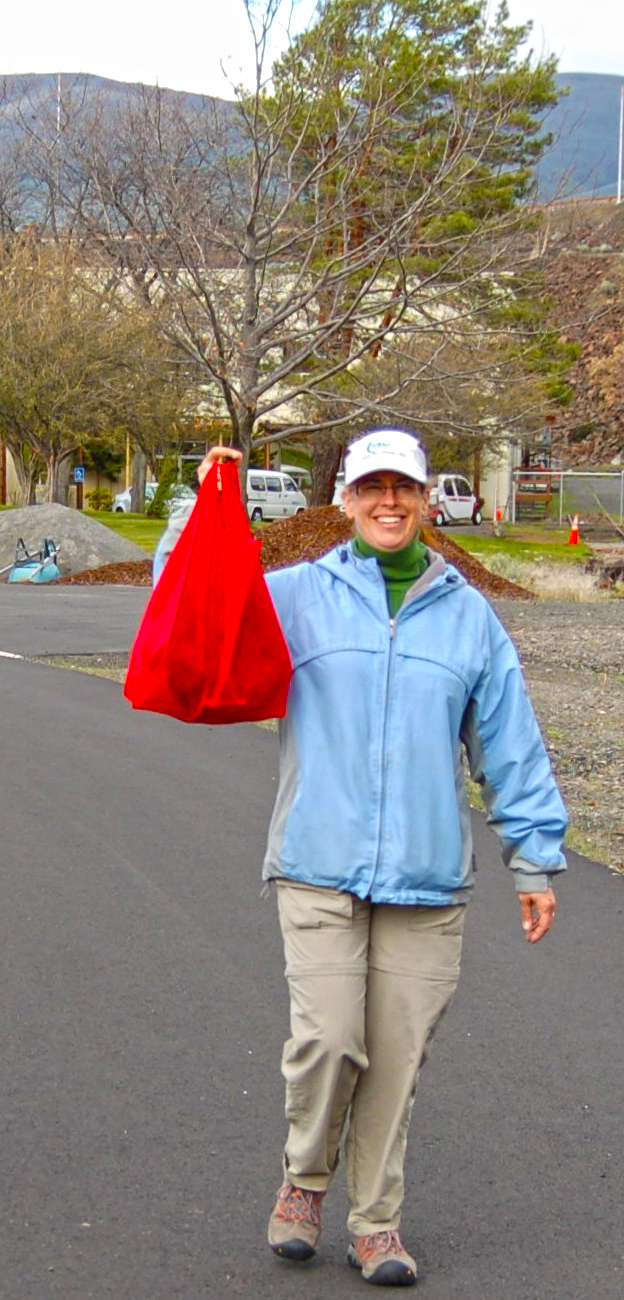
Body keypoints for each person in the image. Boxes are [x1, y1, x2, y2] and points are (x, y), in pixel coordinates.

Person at [153, 430, 568, 1287]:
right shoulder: (300, 596)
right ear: (344, 499)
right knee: (330, 1040)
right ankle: (304, 1180)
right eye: (372, 487)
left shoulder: (468, 615)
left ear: (427, 502)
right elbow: (194, 607)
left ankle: (376, 1222)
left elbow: (509, 744)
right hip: (318, 864)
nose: (389, 502)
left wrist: (534, 859)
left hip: (428, 880)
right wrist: (199, 510)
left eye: (404, 488)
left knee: (397, 1058)